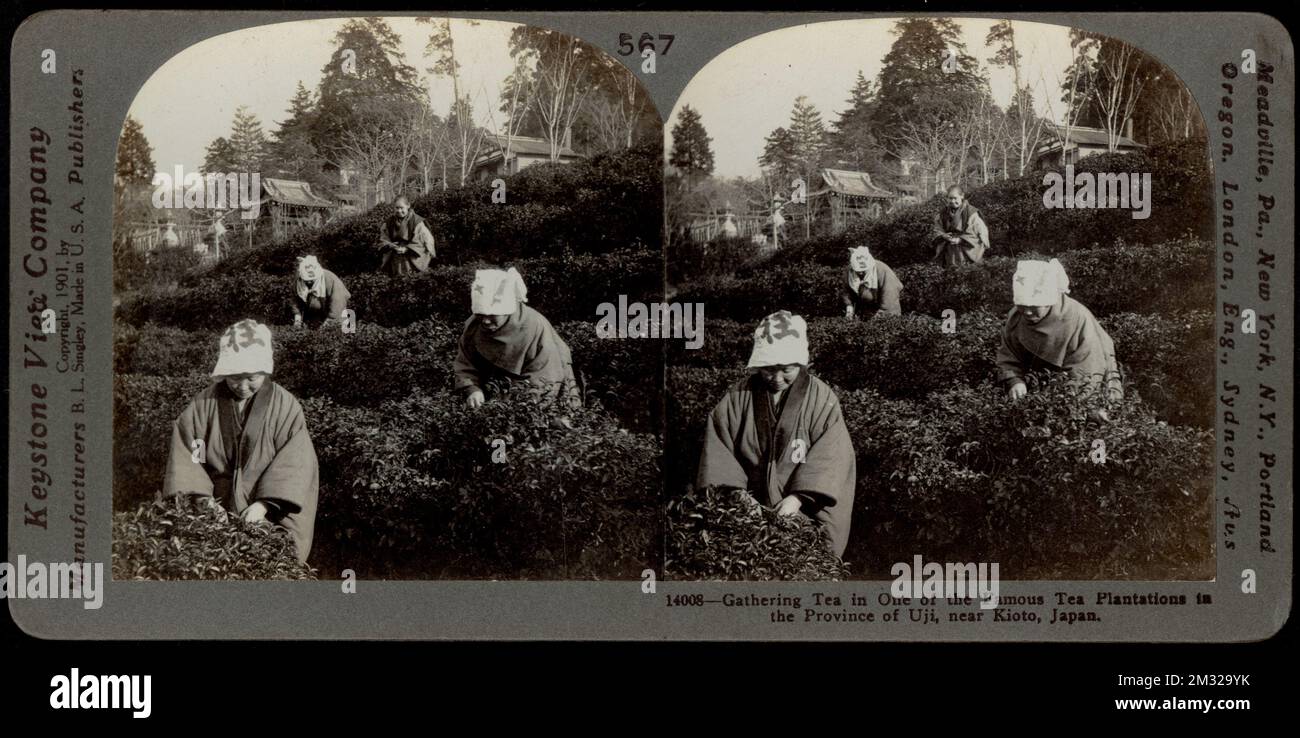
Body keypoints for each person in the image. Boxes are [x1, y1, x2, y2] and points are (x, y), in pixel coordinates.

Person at [696, 310, 856, 558]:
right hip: (750, 501)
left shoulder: (822, 398)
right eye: (768, 369)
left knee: (810, 556)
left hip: (805, 505)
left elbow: (832, 455)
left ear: (801, 364)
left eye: (787, 369)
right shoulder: (738, 397)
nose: (777, 378)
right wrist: (738, 494)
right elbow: (720, 446)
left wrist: (797, 498)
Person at [161, 319, 320, 563]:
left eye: (252, 378)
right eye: (234, 377)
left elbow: (294, 462)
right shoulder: (202, 406)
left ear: (265, 371)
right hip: (215, 506)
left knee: (270, 564)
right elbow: (191, 457)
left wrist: (264, 505)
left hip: (268, 511)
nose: (242, 386)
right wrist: (205, 502)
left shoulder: (286, 406)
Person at [995, 258, 1123, 405]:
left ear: (1049, 300)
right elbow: (1008, 355)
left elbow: (1086, 373)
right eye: (1022, 305)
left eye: (1034, 306)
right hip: (1041, 386)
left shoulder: (1077, 320)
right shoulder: (1016, 316)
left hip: (1083, 385)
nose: (1027, 312)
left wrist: (1057, 401)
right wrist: (1015, 380)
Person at [452, 267, 582, 410]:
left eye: (492, 315)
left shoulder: (535, 327)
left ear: (507, 311)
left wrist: (510, 406)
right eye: (481, 315)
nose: (486, 321)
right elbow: (464, 363)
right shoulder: (474, 325)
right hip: (496, 390)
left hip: (538, 389)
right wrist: (472, 389)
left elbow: (545, 380)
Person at [377, 196, 435, 276]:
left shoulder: (417, 221)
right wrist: (390, 245)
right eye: (397, 208)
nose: (399, 211)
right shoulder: (389, 222)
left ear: (408, 206)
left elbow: (423, 241)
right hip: (395, 256)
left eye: (402, 208)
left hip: (412, 257)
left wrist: (407, 249)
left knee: (412, 279)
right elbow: (384, 238)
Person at [931, 186, 989, 266]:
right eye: (950, 198)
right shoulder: (943, 213)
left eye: (955, 198)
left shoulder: (971, 212)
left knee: (966, 272)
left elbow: (981, 233)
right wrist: (943, 236)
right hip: (949, 251)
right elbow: (937, 228)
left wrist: (960, 240)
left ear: (962, 196)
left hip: (966, 251)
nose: (952, 201)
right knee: (950, 272)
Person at [290, 255, 351, 329]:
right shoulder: (299, 279)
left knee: (333, 333)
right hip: (314, 314)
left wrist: (327, 325)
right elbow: (295, 299)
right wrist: (297, 317)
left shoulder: (330, 279)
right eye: (306, 280)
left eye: (312, 280)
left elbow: (338, 304)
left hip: (335, 313)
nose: (309, 282)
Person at [842, 245, 903, 320]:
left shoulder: (883, 271)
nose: (860, 273)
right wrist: (849, 308)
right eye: (858, 271)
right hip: (866, 310)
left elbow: (889, 300)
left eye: (863, 271)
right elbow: (846, 291)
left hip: (887, 308)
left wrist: (876, 319)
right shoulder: (849, 270)